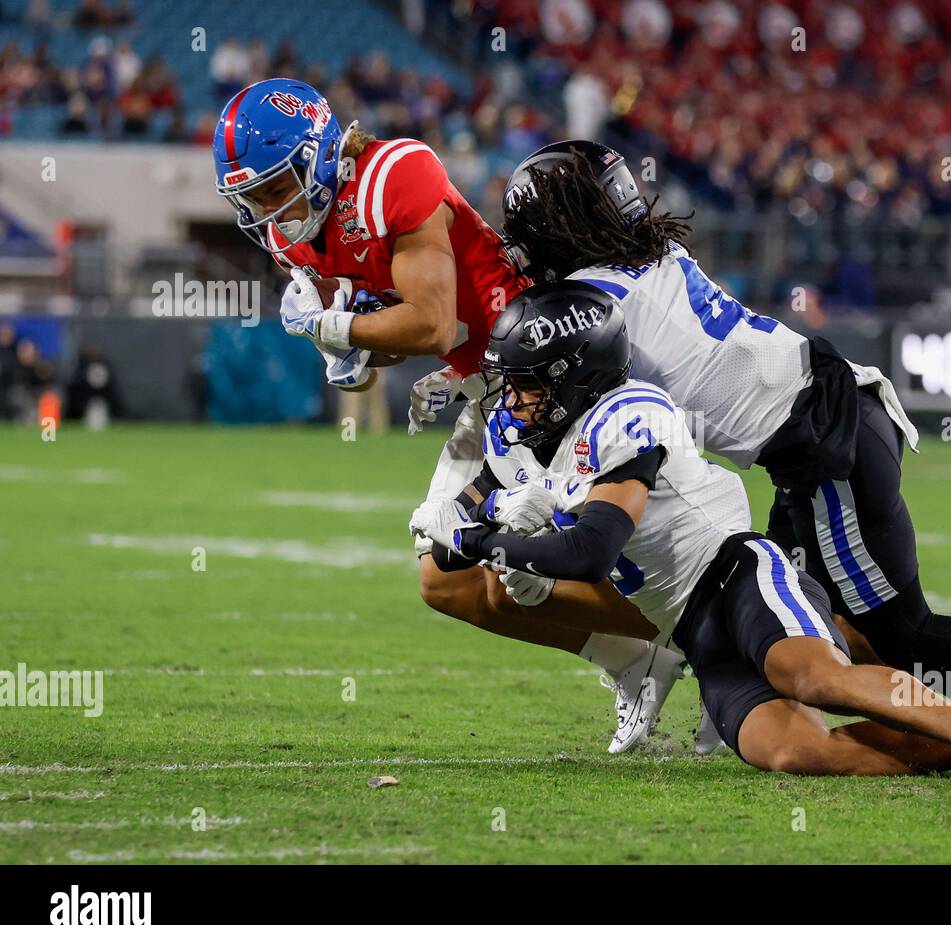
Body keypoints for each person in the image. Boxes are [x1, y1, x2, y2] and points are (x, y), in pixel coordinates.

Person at [493, 140, 951, 758]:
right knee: (833, 629)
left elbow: (528, 326)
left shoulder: (601, 303)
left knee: (901, 633)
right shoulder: (650, 251)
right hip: (817, 429)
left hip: (824, 446)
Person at [409, 282, 951, 787]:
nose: (510, 401)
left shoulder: (631, 412)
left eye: (525, 385)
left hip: (736, 575)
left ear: (572, 375)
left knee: (810, 674)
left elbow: (592, 549)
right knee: (793, 751)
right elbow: (458, 524)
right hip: (690, 630)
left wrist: (492, 545)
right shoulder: (514, 434)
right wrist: (467, 522)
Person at [213, 79, 667, 750]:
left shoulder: (394, 173)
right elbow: (392, 327)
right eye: (250, 195)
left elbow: (432, 320)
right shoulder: (297, 235)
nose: (265, 209)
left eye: (275, 186)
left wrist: (335, 327)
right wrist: (353, 347)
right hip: (485, 389)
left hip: (544, 382)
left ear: (319, 156)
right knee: (444, 578)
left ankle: (698, 636)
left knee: (614, 559)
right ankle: (635, 658)